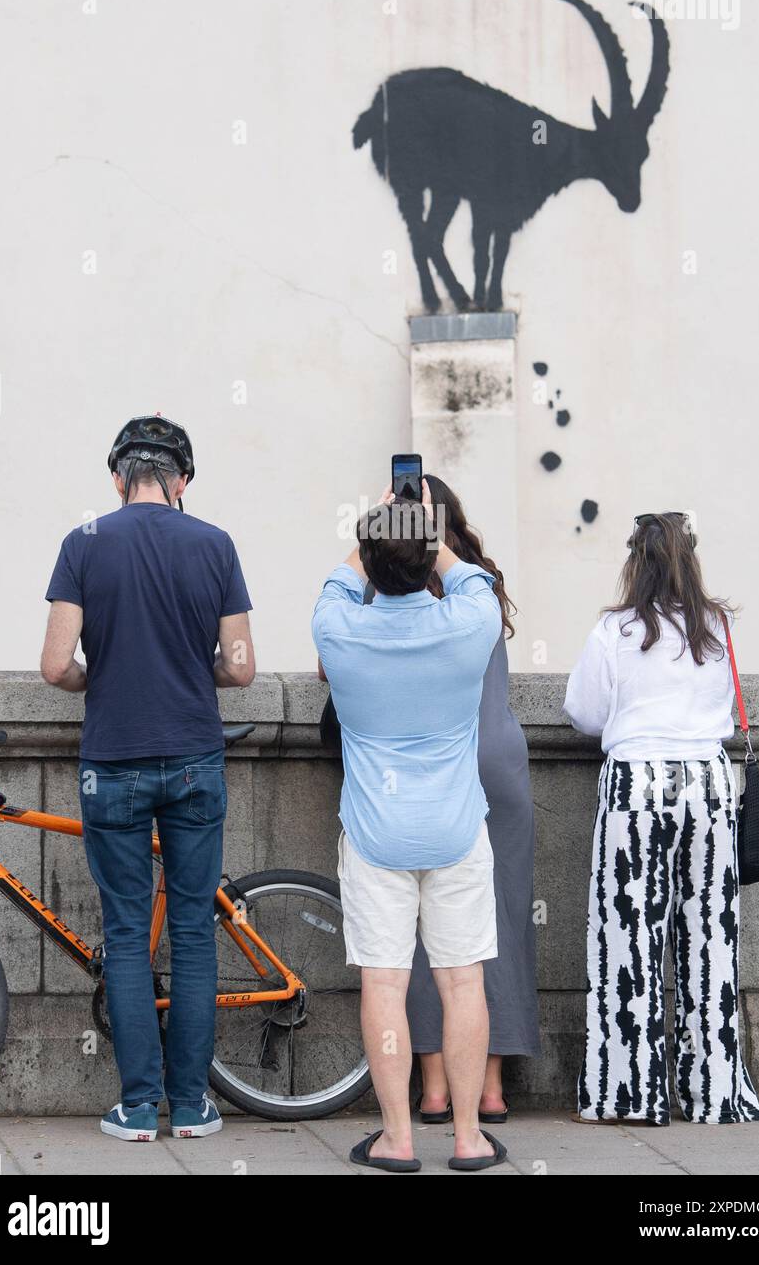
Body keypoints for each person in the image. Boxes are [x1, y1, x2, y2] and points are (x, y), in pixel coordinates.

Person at [40, 415, 255, 1142]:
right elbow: (241, 665)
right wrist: (202, 670)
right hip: (195, 756)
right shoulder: (215, 544)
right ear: (182, 479)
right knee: (193, 930)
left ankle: (136, 1107)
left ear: (116, 477)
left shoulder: (84, 543)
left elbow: (55, 665)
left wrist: (93, 679)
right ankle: (191, 1107)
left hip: (114, 761)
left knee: (129, 934)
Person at [312, 482, 506, 1172]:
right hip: (456, 831)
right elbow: (470, 577)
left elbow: (342, 575)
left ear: (367, 555)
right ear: (430, 558)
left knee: (385, 986)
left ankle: (396, 1137)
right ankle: (467, 1137)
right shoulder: (469, 624)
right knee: (463, 984)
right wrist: (428, 529)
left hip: (375, 835)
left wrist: (383, 530)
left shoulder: (338, 628)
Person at [564, 512, 759, 1126]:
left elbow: (584, 711)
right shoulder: (717, 626)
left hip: (638, 784)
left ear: (634, 562)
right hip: (707, 783)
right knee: (710, 939)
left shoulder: (615, 630)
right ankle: (714, 1092)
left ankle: (629, 1091)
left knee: (629, 937)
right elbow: (729, 709)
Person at [406, 475, 538, 1125]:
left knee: (429, 928)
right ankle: (490, 1089)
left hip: (436, 769)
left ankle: (433, 1090)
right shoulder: (480, 582)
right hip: (502, 763)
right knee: (501, 924)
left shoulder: (395, 585)